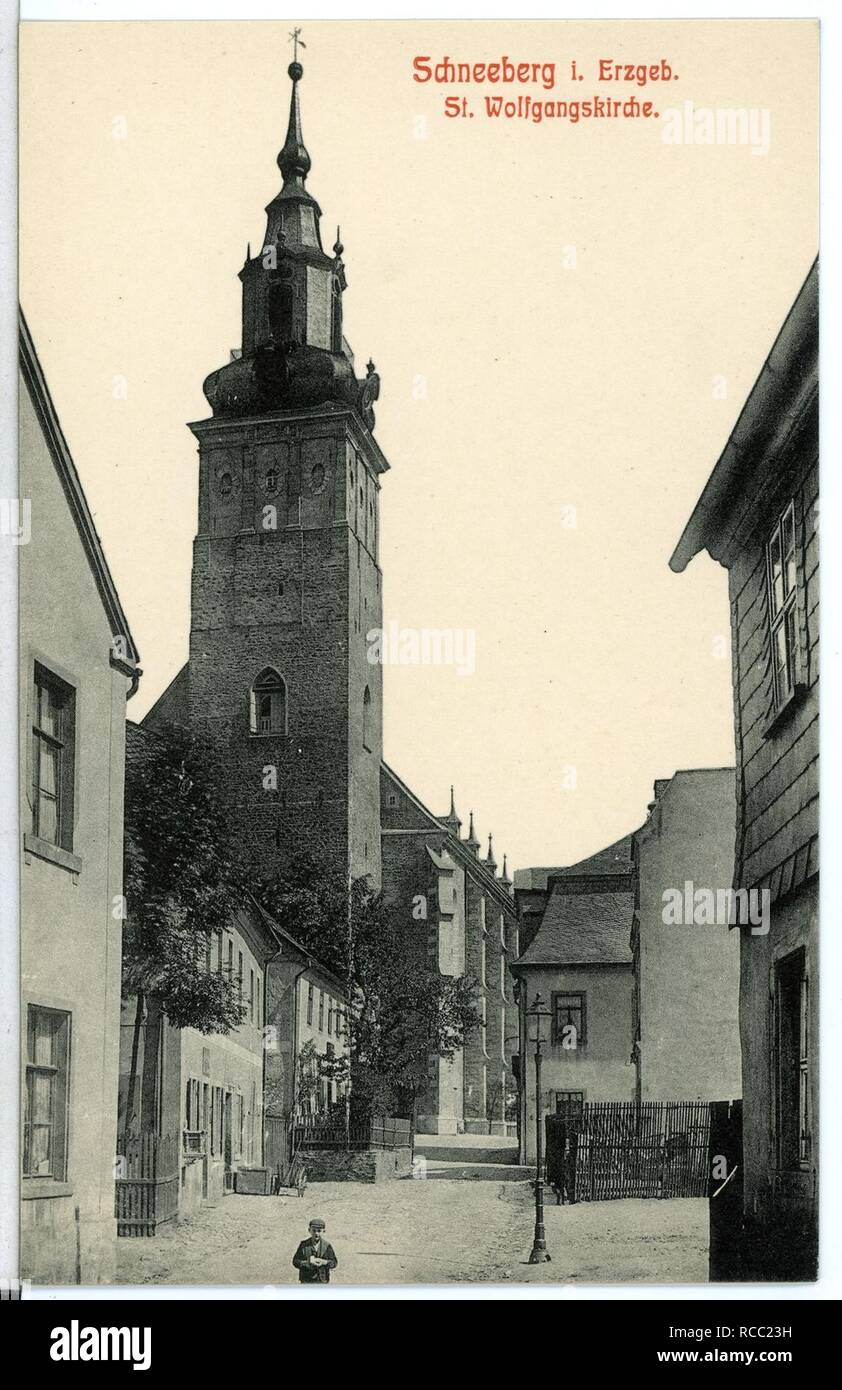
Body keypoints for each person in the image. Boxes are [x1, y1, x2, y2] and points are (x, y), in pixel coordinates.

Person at [292, 1217, 338, 1284]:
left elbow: (334, 1262)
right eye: (314, 1230)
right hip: (306, 1280)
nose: (316, 1233)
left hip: (322, 1281)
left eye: (319, 1231)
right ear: (309, 1230)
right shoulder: (304, 1245)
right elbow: (295, 1261)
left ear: (323, 1231)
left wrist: (324, 1262)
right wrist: (307, 1263)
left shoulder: (327, 1246)